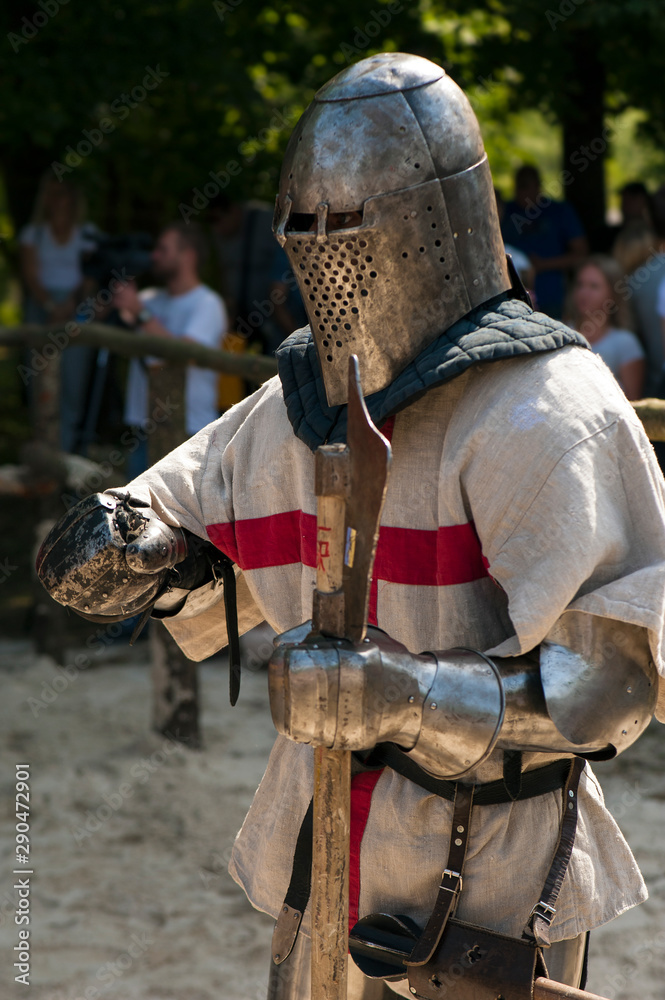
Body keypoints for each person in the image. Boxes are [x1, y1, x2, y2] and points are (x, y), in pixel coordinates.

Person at [37, 54, 665, 1000]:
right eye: (306, 225)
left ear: (437, 219)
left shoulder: (550, 410)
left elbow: (612, 686)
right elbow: (192, 526)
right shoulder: (294, 407)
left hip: (487, 874)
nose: (326, 249)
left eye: (349, 223)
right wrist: (137, 550)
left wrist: (407, 693)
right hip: (318, 851)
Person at [114, 221, 226, 477]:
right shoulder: (150, 297)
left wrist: (139, 312)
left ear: (188, 256)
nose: (154, 256)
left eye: (163, 250)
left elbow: (182, 353)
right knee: (136, 511)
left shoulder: (208, 304)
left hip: (190, 430)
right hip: (145, 427)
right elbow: (108, 320)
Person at [19, 173, 99, 452]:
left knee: (73, 382)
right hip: (42, 308)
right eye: (51, 193)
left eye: (62, 193)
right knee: (38, 379)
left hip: (77, 307)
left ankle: (66, 451)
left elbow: (90, 274)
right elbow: (30, 275)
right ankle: (43, 447)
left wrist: (71, 304)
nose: (57, 200)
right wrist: (51, 306)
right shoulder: (34, 233)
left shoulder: (86, 232)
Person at [501, 164, 587, 319]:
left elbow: (581, 254)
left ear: (539, 186)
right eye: (519, 186)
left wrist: (543, 264)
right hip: (511, 300)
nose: (522, 191)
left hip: (553, 298)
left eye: (526, 185)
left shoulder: (559, 211)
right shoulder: (504, 212)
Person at [208, 195, 280, 352]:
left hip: (271, 312)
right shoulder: (219, 233)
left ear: (233, 211)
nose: (216, 227)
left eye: (218, 219)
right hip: (239, 315)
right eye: (211, 221)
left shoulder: (267, 221)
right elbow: (224, 269)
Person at [568, 255, 645, 400]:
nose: (584, 292)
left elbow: (634, 404)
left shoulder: (625, 343)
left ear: (613, 293)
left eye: (594, 286)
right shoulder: (560, 333)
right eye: (580, 284)